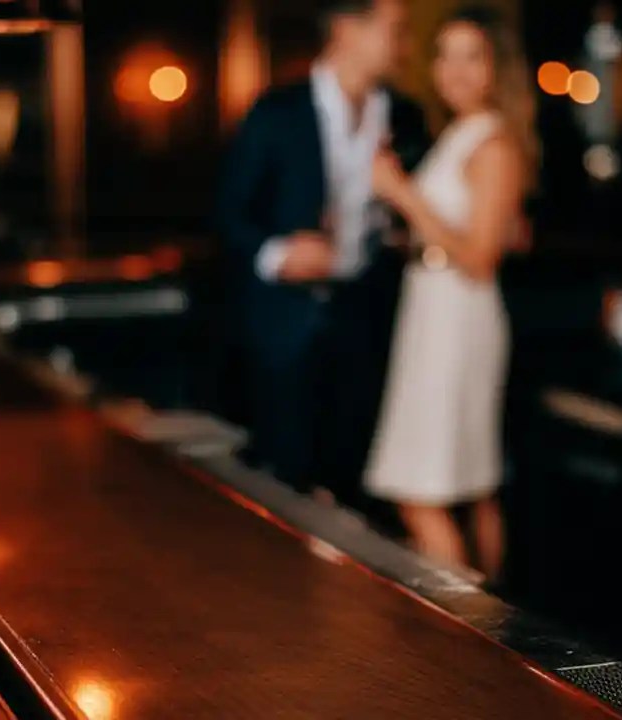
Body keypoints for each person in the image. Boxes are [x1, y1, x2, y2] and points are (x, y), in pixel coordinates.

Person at [216, 0, 431, 514]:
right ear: (346, 28)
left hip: (372, 320)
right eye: (393, 30)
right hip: (287, 324)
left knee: (361, 488)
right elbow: (228, 214)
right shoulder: (276, 112)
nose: (404, 45)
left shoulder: (405, 115)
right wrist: (278, 254)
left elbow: (420, 205)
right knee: (284, 487)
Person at [365, 4, 536, 581]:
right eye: (444, 55)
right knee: (473, 485)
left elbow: (479, 258)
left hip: (457, 316)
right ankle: (502, 635)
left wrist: (401, 192)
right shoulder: (460, 134)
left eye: (471, 56)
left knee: (422, 491)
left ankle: (470, 638)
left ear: (496, 68)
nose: (454, 70)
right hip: (434, 307)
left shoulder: (493, 144)